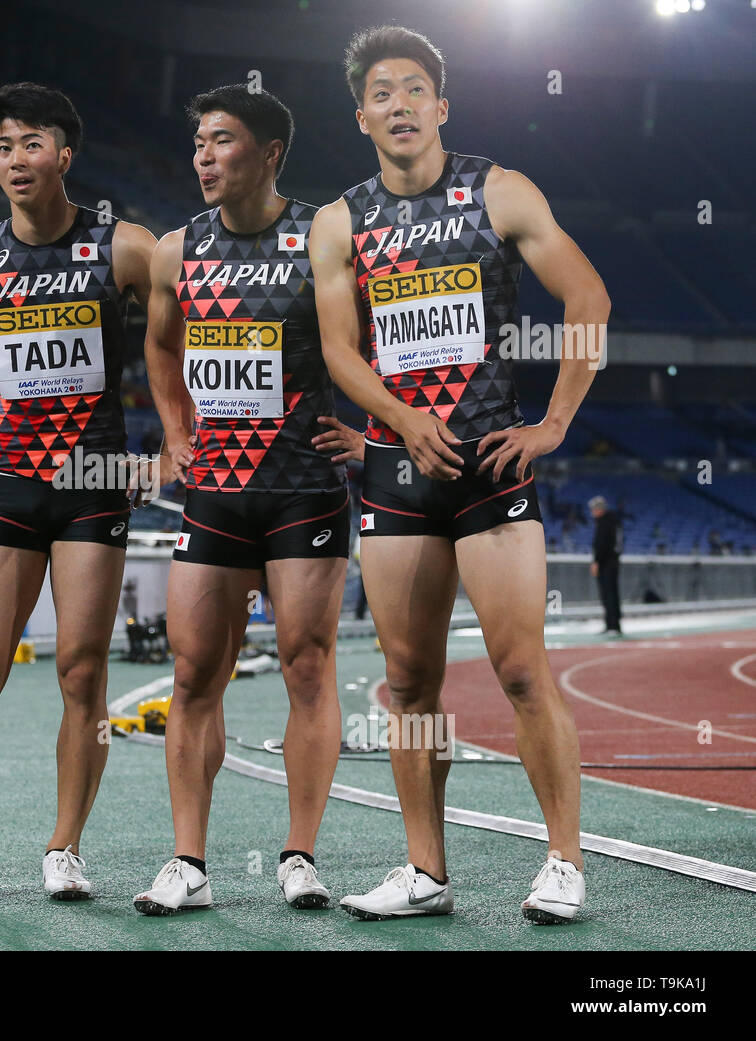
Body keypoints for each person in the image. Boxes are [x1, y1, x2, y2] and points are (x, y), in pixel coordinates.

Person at [309, 26, 610, 924]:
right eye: (381, 94)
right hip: (399, 476)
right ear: (361, 115)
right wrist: (401, 422)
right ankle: (425, 872)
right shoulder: (340, 220)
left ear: (442, 106)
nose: (398, 105)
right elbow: (338, 349)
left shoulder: (499, 190)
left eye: (415, 90)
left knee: (522, 670)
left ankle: (563, 860)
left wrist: (554, 421)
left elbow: (587, 297)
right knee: (408, 683)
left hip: (489, 472)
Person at [0, 83, 157, 904]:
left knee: (81, 673)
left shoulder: (123, 248)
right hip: (11, 483)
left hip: (93, 482)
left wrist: (175, 442)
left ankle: (65, 847)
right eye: (3, 147)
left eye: (32, 144)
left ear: (66, 153)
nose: (16, 160)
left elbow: (181, 337)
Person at [133, 84, 363, 916]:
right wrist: (172, 430)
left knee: (308, 665)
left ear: (269, 153)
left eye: (221, 140)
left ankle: (300, 854)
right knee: (193, 672)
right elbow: (160, 344)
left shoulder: (321, 238)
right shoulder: (174, 249)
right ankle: (187, 861)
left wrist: (372, 433)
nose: (202, 155)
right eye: (197, 141)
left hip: (303, 489)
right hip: (215, 494)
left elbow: (384, 337)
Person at [589, 495, 623, 635]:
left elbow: (602, 545)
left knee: (608, 593)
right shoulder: (613, 521)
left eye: (593, 509)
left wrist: (596, 561)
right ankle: (613, 625)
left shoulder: (605, 522)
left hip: (606, 562)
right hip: (612, 561)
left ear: (599, 509)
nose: (592, 512)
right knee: (612, 593)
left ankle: (612, 625)